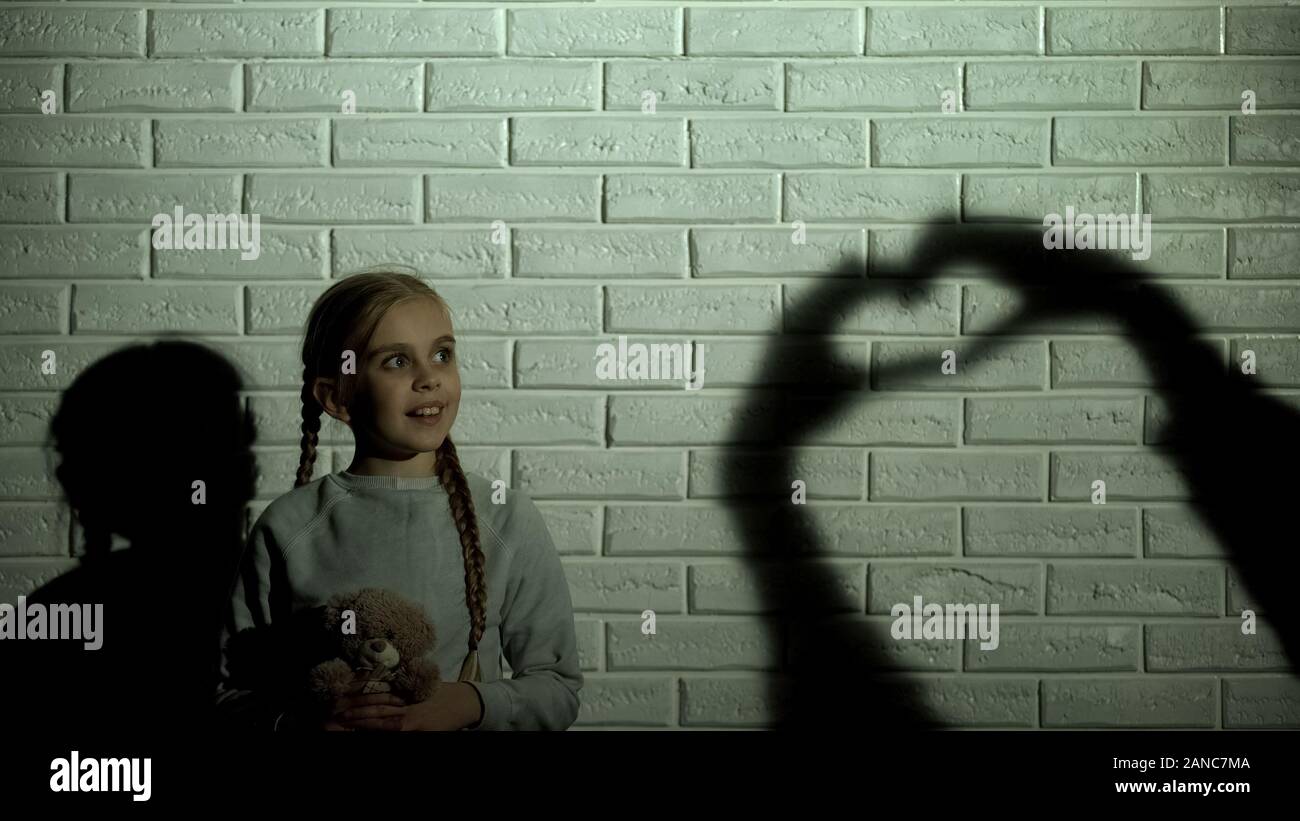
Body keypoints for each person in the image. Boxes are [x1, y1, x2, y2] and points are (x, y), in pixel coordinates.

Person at [215, 270, 583, 731]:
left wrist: (467, 703)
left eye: (442, 355)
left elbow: (557, 689)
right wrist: (305, 718)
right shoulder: (288, 525)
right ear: (337, 397)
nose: (429, 378)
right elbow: (229, 693)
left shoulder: (506, 517)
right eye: (396, 362)